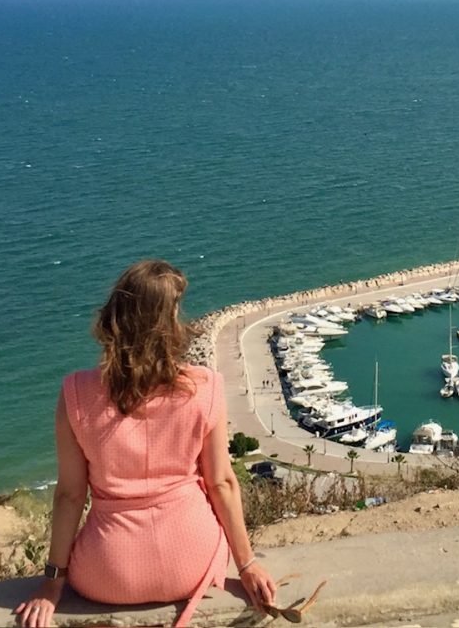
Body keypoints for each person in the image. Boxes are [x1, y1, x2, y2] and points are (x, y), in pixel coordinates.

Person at [14, 260, 276, 628]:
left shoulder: (75, 392)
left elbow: (70, 496)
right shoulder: (206, 386)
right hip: (193, 563)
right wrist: (246, 564)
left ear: (114, 319)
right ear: (170, 323)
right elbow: (221, 483)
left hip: (107, 574)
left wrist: (52, 583)